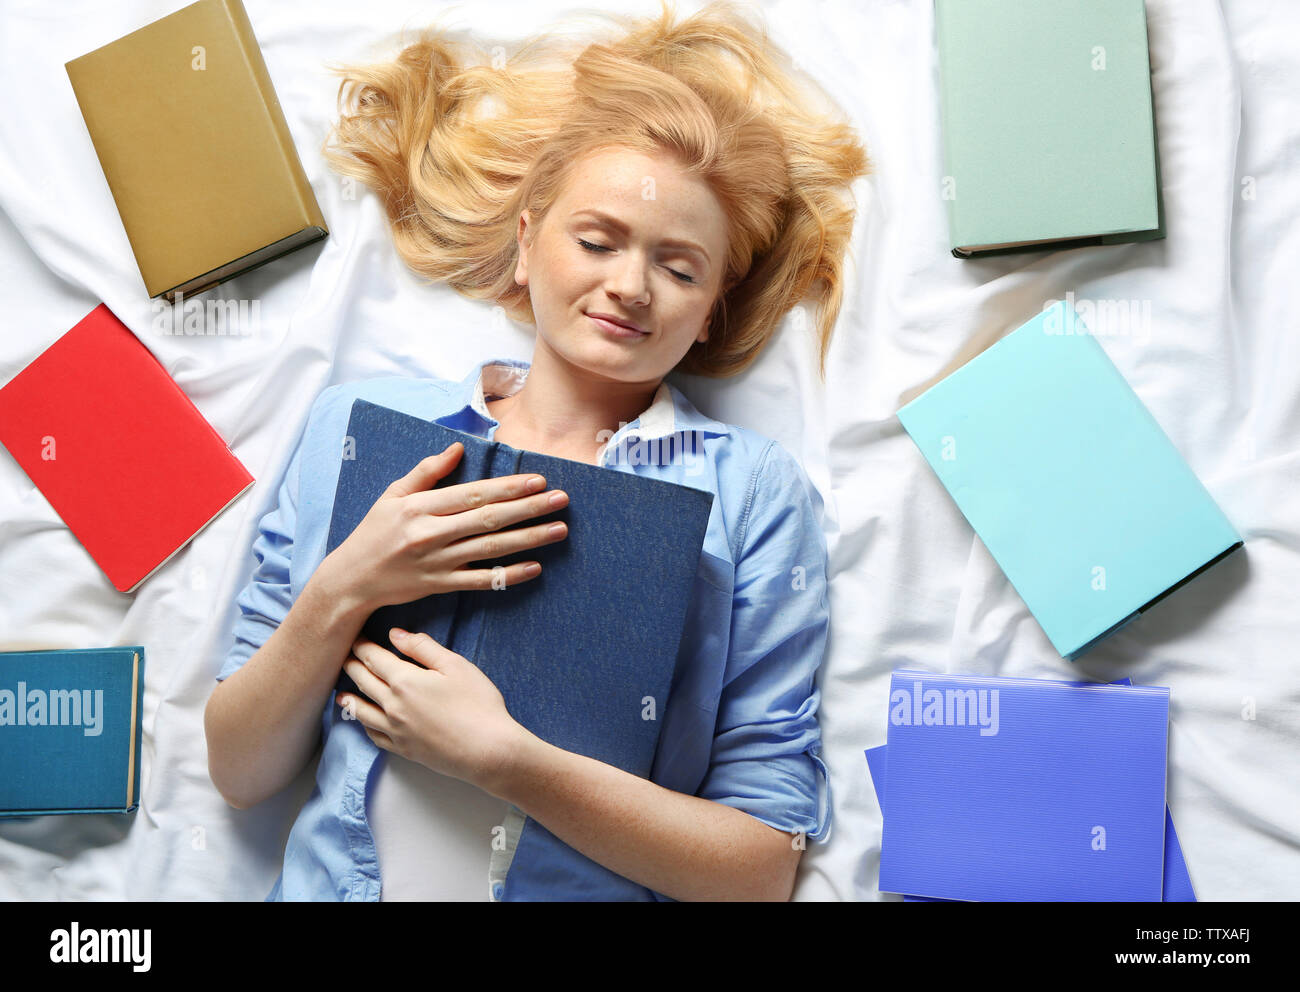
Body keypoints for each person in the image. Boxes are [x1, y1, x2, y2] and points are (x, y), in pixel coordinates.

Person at [204, 0, 869, 901]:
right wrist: (344, 586)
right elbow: (241, 771)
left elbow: (756, 872)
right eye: (596, 241)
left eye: (680, 269)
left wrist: (505, 760)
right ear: (526, 246)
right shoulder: (358, 421)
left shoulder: (751, 491)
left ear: (711, 308)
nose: (630, 286)